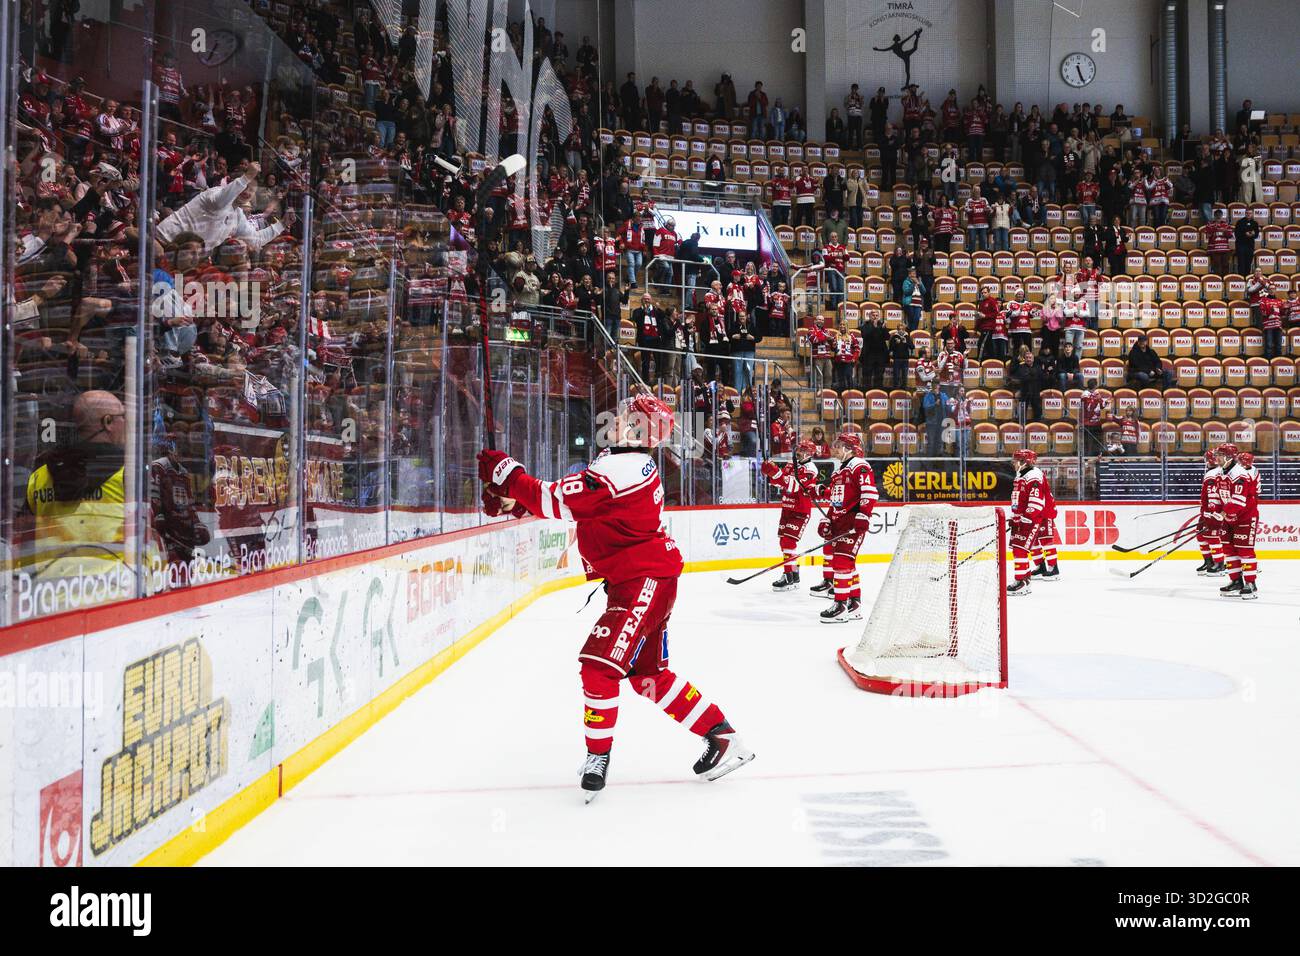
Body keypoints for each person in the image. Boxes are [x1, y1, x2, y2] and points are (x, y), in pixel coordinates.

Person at [476, 394, 755, 801]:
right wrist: (513, 502)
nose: (618, 419)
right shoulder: (621, 462)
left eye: (628, 416)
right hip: (646, 578)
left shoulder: (623, 467)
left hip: (642, 580)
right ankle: (722, 735)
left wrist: (508, 473)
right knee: (647, 677)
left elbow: (557, 499)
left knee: (598, 667)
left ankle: (597, 758)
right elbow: (583, 510)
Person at [24, 390, 128, 591]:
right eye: (122, 416)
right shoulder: (128, 473)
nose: (126, 423)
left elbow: (25, 535)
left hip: (49, 601)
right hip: (110, 600)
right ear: (107, 421)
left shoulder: (38, 476)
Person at [814, 431, 877, 622]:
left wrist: (863, 515)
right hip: (840, 523)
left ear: (849, 449)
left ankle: (840, 606)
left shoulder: (860, 466)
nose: (835, 447)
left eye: (839, 444)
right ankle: (854, 603)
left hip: (852, 523)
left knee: (841, 563)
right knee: (847, 563)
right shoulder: (839, 471)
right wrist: (828, 520)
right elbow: (836, 500)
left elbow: (870, 492)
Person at [761, 439, 821, 592]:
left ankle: (788, 577)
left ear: (808, 453)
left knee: (788, 543)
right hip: (787, 508)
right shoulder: (790, 463)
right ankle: (794, 576)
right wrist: (770, 473)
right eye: (798, 448)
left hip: (800, 511)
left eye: (801, 449)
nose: (798, 451)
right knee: (784, 543)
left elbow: (794, 485)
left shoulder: (811, 469)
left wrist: (776, 473)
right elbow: (779, 483)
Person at [1006, 448, 1059, 596]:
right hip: (1024, 519)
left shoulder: (1034, 476)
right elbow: (1020, 500)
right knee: (1019, 548)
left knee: (1027, 547)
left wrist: (1025, 518)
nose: (1014, 463)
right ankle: (1025, 578)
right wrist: (1016, 516)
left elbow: (1035, 502)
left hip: (1032, 518)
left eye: (1017, 460)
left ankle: (1027, 580)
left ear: (1025, 461)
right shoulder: (1021, 475)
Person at [1215, 443, 1260, 600]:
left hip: (1245, 517)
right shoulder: (1221, 472)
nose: (1216, 458)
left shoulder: (1239, 475)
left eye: (1219, 455)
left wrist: (1223, 513)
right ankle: (1236, 582)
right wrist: (1215, 513)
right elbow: (1221, 497)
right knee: (1229, 549)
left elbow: (1239, 500)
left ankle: (1250, 584)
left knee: (1245, 550)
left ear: (1228, 457)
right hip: (1229, 518)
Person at [1195, 450, 1227, 577]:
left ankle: (1219, 564)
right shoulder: (1212, 473)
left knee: (1213, 536)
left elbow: (1214, 495)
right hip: (1209, 510)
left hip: (1215, 511)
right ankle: (1208, 562)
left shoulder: (1216, 473)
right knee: (1201, 535)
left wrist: (1212, 510)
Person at [922, 381, 945, 457]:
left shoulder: (943, 395)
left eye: (937, 385)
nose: (935, 386)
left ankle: (939, 464)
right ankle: (930, 463)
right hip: (931, 423)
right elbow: (925, 407)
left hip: (941, 422)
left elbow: (948, 404)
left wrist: (951, 402)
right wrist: (934, 404)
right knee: (931, 443)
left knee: (940, 442)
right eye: (934, 385)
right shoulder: (928, 396)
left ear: (939, 386)